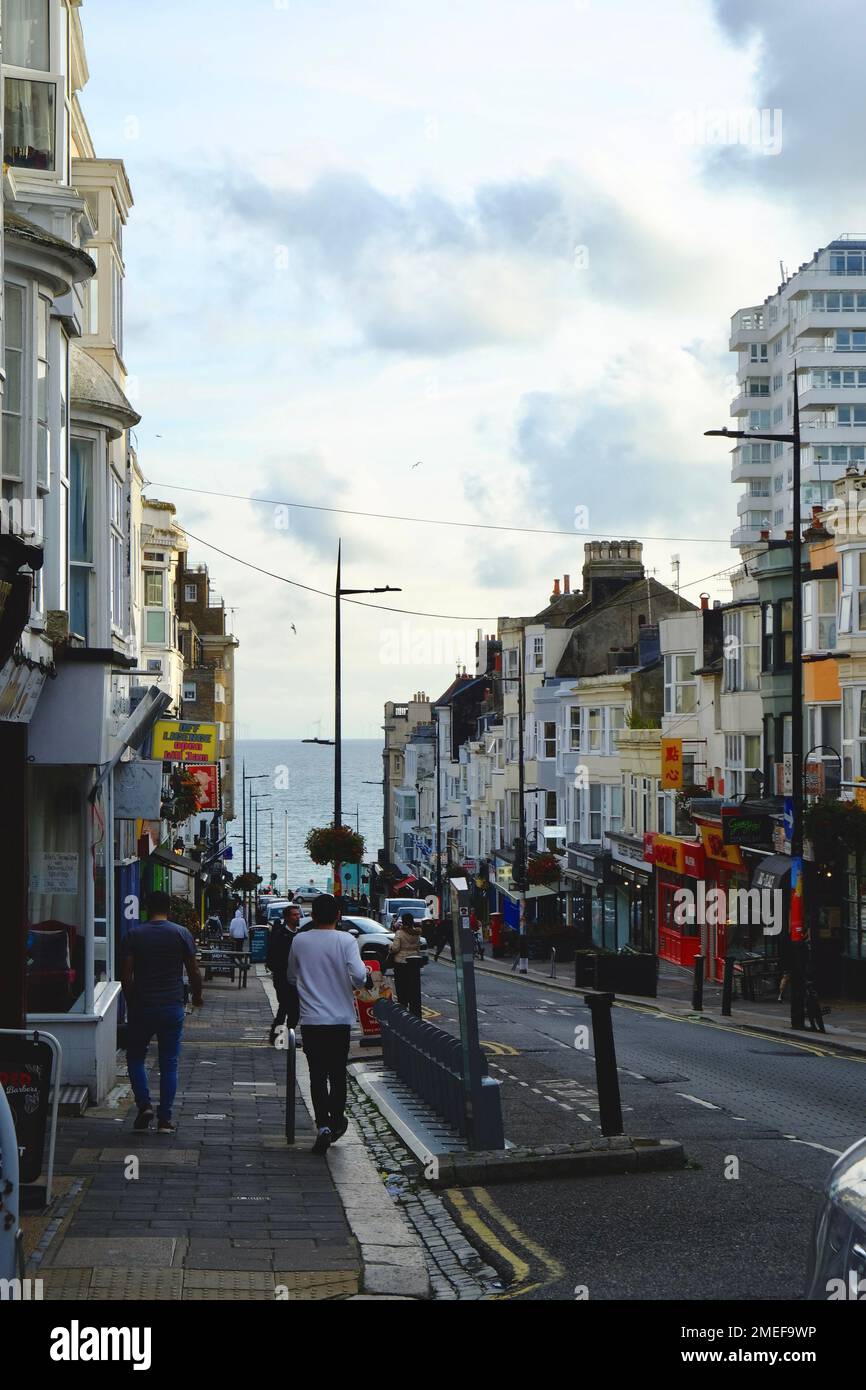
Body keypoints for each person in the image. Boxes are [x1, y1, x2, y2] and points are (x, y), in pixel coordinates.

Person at [287, 893, 371, 1154]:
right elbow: (358, 977)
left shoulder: (299, 940)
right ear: (338, 916)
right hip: (340, 1020)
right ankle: (336, 1123)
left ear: (312, 915)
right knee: (337, 1075)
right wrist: (365, 976)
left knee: (316, 1075)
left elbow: (291, 976)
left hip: (312, 1020)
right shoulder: (346, 940)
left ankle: (322, 1125)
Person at [120, 891, 203, 1134]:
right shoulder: (181, 933)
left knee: (135, 1058)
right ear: (168, 909)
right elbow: (194, 971)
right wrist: (197, 996)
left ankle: (144, 1105)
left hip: (142, 1006)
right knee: (169, 1063)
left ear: (146, 908)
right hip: (171, 1005)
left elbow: (126, 976)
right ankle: (165, 1119)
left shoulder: (134, 935)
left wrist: (131, 1002)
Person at [267, 903, 301, 1044]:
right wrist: (279, 972)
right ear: (286, 918)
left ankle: (284, 1037)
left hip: (296, 979)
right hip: (282, 978)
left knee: (292, 1009)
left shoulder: (299, 935)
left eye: (298, 914)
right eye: (294, 914)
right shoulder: (280, 934)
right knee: (286, 1007)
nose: (297, 917)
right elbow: (273, 956)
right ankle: (279, 1036)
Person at [389, 912, 425, 1016]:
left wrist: (389, 947)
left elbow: (395, 948)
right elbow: (418, 947)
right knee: (413, 988)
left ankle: (403, 1008)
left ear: (403, 921)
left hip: (401, 963)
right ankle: (415, 1012)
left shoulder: (400, 933)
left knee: (401, 988)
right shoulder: (416, 933)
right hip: (414, 963)